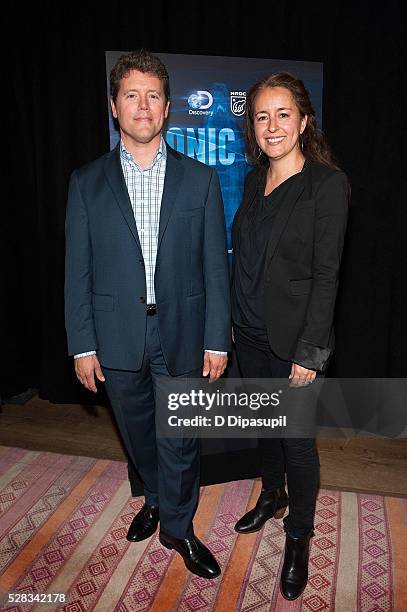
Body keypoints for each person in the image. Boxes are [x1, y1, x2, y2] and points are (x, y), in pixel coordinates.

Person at [65, 50, 231, 579]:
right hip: (116, 338)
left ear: (166, 109)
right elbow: (78, 272)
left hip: (182, 333)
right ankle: (155, 497)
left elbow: (214, 269)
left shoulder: (200, 181)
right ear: (115, 107)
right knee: (139, 433)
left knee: (180, 435)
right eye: (132, 95)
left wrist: (217, 339)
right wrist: (82, 344)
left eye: (154, 95)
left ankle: (177, 528)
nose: (143, 105)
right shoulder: (85, 183)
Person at [231, 72, 349, 600]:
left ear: (303, 121)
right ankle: (270, 496)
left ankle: (299, 533)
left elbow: (328, 276)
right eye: (261, 116)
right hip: (250, 334)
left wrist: (311, 352)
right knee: (265, 429)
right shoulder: (253, 180)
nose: (271, 125)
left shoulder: (327, 185)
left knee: (297, 441)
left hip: (294, 343)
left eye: (282, 114)